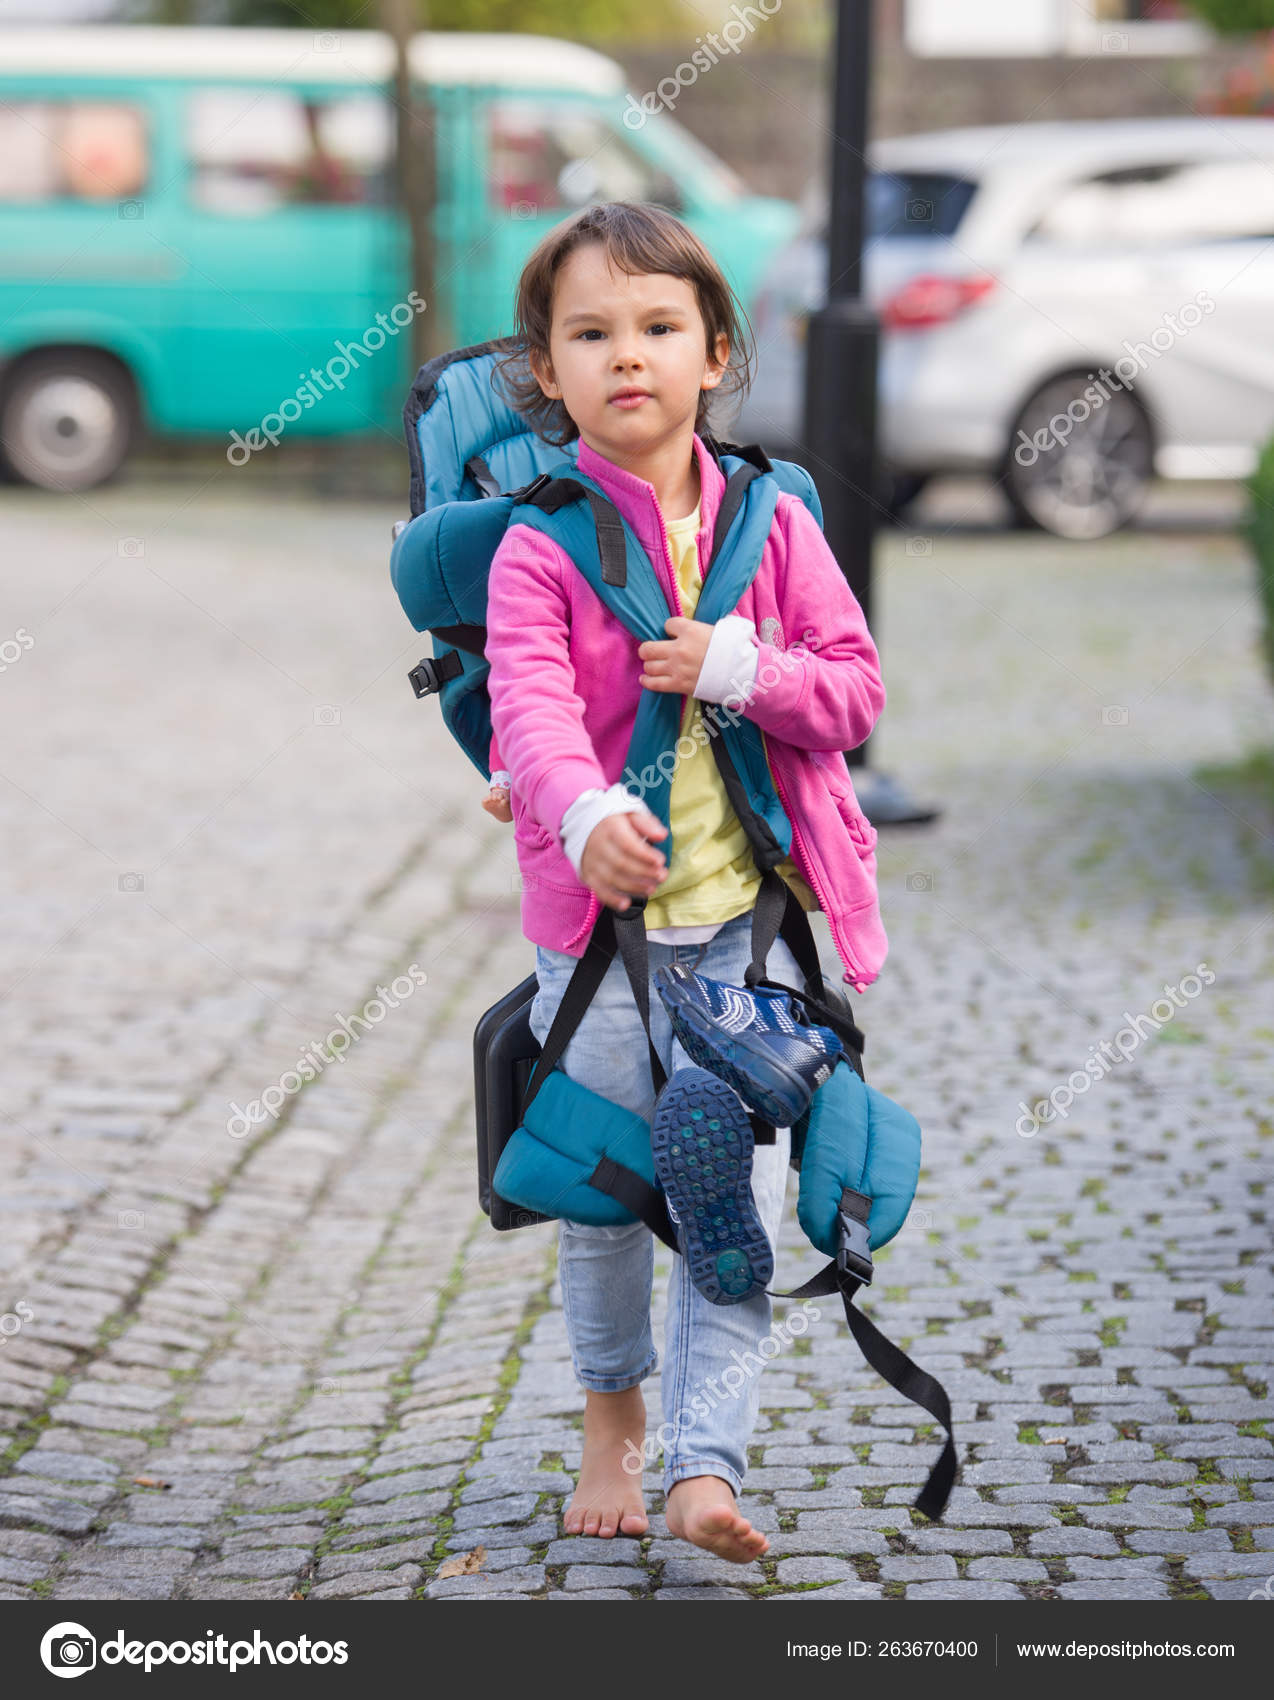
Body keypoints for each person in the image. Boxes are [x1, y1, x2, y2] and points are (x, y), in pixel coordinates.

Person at [484, 201, 887, 1564]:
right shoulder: (536, 544)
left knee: (733, 1210)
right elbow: (528, 716)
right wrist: (588, 806)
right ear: (547, 369)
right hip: (595, 937)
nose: (626, 357)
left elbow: (851, 693)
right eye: (588, 334)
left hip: (747, 937)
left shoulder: (773, 523)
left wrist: (738, 668)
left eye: (657, 328)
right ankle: (613, 1417)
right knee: (598, 1190)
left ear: (715, 351)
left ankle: (704, 1471)